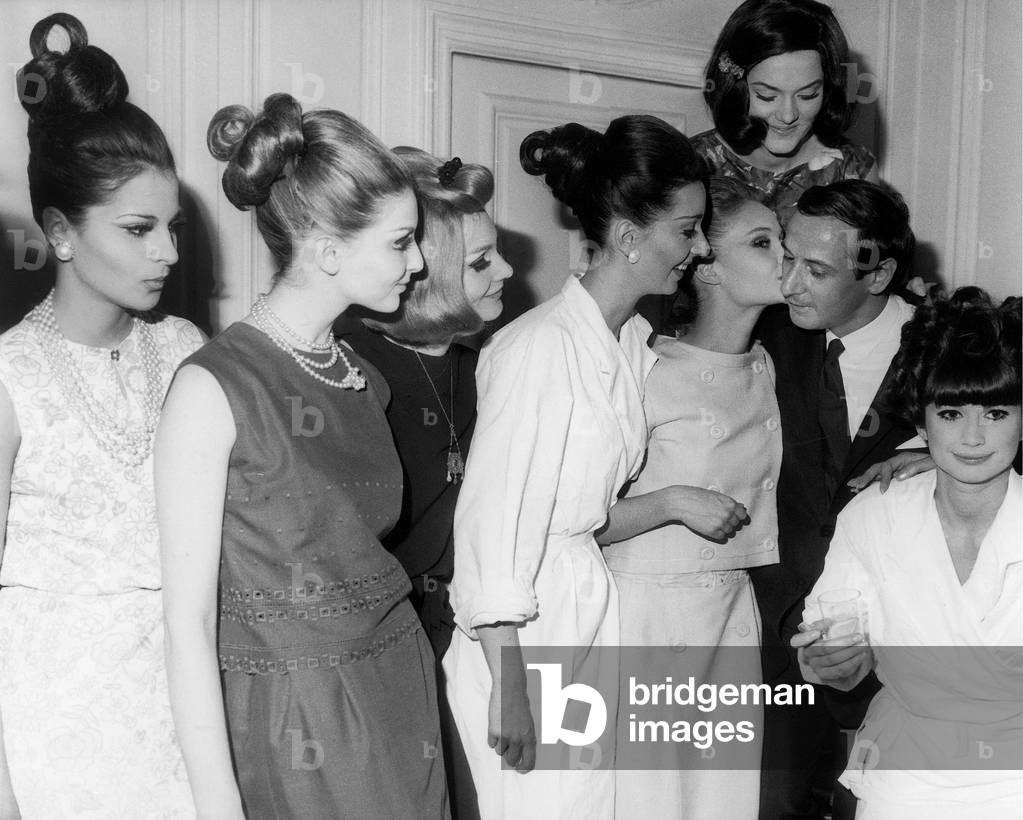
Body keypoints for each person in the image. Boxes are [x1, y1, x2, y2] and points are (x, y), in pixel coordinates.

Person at [154, 94, 448, 819]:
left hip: (399, 693)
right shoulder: (211, 387)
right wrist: (217, 805)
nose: (417, 262)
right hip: (296, 717)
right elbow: (186, 624)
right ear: (326, 251)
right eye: (400, 240)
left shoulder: (361, 374)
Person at [443, 115, 709, 819]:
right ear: (628, 236)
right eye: (686, 230)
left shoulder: (627, 346)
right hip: (522, 640)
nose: (700, 247)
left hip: (581, 614)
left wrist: (673, 501)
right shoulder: (538, 349)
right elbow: (492, 526)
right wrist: (511, 685)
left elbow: (576, 515)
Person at [0, 13, 202, 818]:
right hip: (55, 727)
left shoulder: (187, 348)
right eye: (138, 229)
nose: (169, 254)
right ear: (61, 234)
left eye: (173, 228)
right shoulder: (9, 373)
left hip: (179, 705)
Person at [793, 288, 1022, 820]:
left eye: (995, 412)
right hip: (910, 772)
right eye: (949, 412)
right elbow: (838, 662)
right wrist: (831, 662)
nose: (971, 436)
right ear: (920, 421)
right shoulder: (875, 518)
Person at [599, 176, 785, 820]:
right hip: (646, 617)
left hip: (733, 611)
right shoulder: (644, 370)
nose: (784, 258)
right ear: (706, 268)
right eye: (763, 243)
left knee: (723, 802)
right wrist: (674, 502)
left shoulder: (773, 367)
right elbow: (570, 521)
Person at [339, 147, 513, 820]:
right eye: (479, 263)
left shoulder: (492, 364)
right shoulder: (352, 370)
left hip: (470, 642)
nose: (507, 270)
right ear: (422, 271)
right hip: (385, 653)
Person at [754, 178, 919, 818]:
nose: (789, 282)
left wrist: (938, 452)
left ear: (878, 275)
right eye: (787, 257)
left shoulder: (949, 343)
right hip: (777, 639)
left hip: (895, 650)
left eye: (815, 269)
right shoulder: (766, 333)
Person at [693, 0, 878, 226]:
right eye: (767, 96)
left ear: (828, 89)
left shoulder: (852, 168)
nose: (788, 115)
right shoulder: (694, 165)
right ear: (736, 89)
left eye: (808, 95)